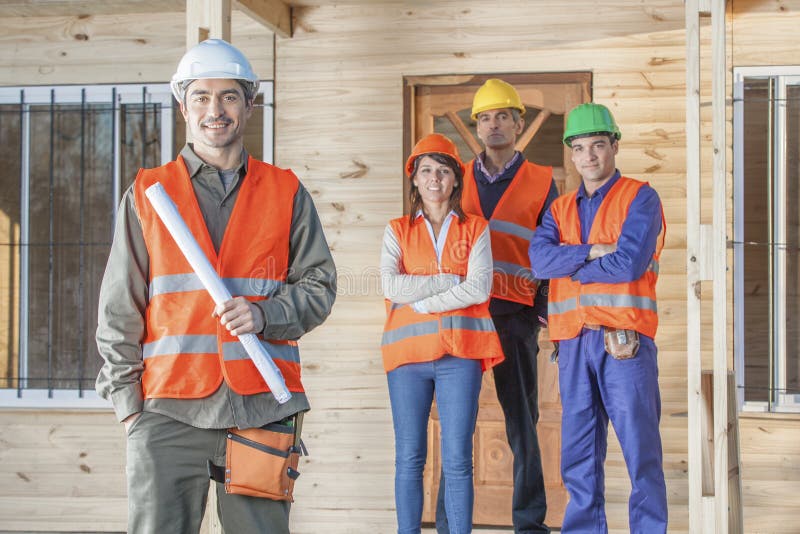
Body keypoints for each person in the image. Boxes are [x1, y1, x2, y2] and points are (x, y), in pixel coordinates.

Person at [95, 39, 336, 534]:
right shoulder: (147, 195)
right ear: (183, 106)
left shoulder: (285, 191)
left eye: (228, 96)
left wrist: (266, 313)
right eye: (201, 96)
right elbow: (120, 306)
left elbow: (320, 283)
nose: (215, 109)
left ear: (250, 104)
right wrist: (127, 407)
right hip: (167, 410)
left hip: (262, 406)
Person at [528, 102, 668, 533]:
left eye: (598, 145)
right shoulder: (559, 209)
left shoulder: (640, 197)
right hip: (571, 344)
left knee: (640, 450)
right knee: (579, 454)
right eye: (581, 148)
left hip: (625, 342)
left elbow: (628, 264)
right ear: (571, 154)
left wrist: (568, 264)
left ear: (614, 146)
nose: (589, 156)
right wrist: (591, 251)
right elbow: (538, 260)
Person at [437, 78, 559, 534]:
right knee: (456, 429)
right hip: (465, 317)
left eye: (502, 116)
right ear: (477, 127)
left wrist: (540, 310)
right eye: (485, 118)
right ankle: (450, 524)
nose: (493, 125)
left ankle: (530, 525)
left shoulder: (543, 181)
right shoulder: (455, 179)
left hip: (514, 317)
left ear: (518, 123)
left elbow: (551, 251)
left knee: (523, 424)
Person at [381, 133, 505, 534]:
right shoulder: (396, 230)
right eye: (427, 170)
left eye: (444, 171)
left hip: (460, 356)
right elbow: (390, 286)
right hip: (407, 359)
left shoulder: (477, 229)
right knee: (409, 458)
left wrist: (424, 299)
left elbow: (479, 288)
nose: (435, 178)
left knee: (457, 460)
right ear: (415, 178)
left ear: (456, 180)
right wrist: (447, 281)